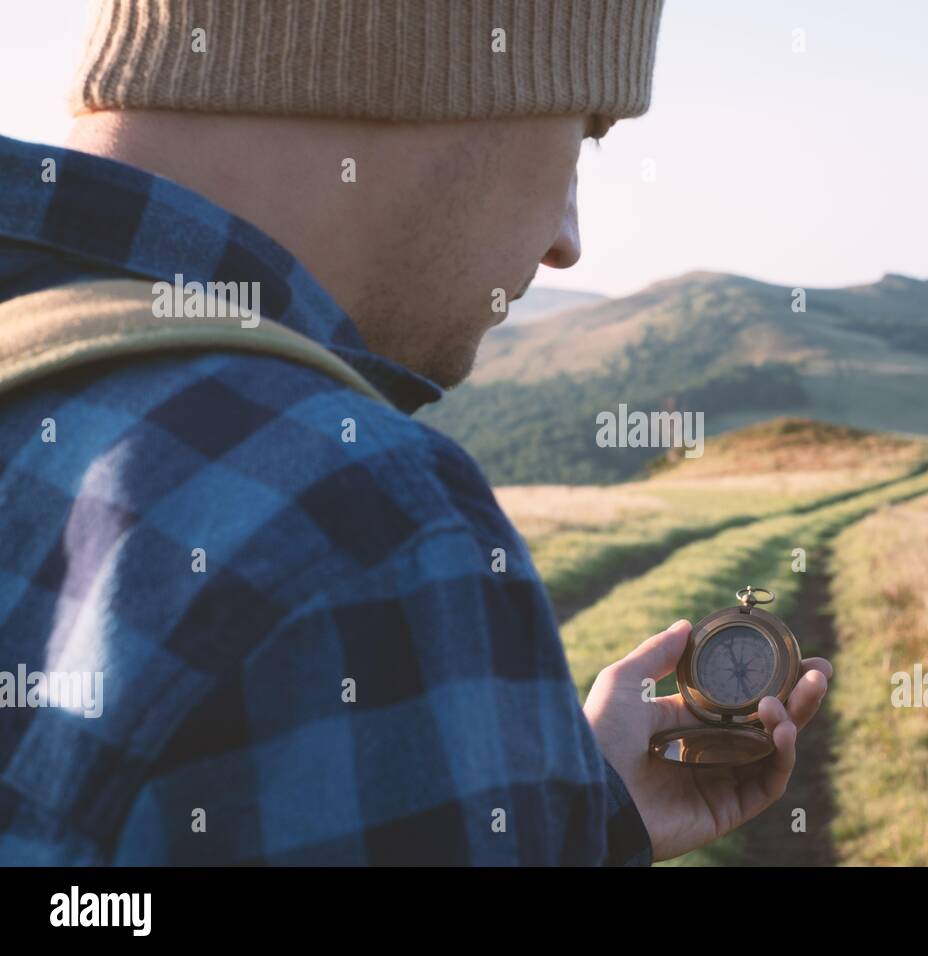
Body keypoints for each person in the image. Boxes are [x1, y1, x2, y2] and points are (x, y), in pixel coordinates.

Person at [0, 0, 830, 865]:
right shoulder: (354, 521)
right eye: (584, 136)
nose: (566, 242)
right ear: (429, 75)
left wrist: (585, 818)